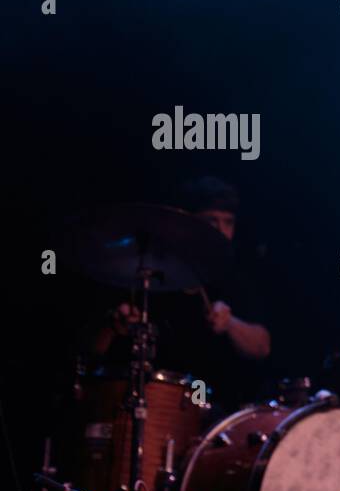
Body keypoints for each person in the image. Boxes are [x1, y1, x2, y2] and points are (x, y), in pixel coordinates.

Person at [90, 176, 272, 411]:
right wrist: (113, 326)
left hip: (215, 413)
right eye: (211, 221)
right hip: (150, 405)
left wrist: (230, 324)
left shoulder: (235, 278)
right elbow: (89, 352)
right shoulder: (142, 271)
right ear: (185, 223)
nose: (221, 231)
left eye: (228, 223)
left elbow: (262, 347)